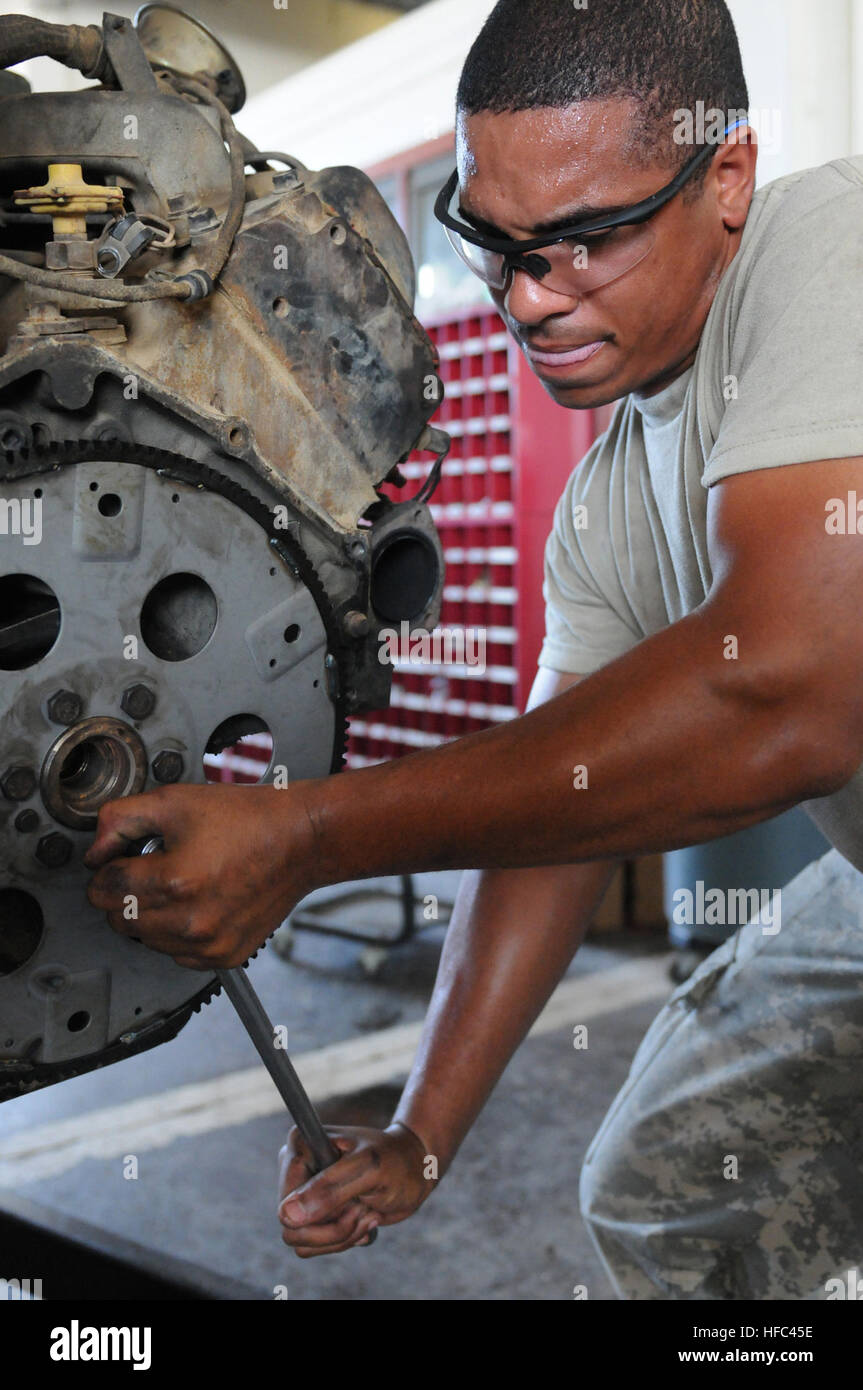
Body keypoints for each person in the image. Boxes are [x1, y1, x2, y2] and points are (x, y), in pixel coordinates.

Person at [85, 0, 863, 1298]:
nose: (524, 298)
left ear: (725, 175)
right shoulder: (610, 505)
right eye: (492, 244)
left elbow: (791, 690)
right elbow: (554, 817)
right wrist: (423, 1132)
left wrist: (313, 832)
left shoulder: (831, 248)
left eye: (581, 243)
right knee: (674, 1183)